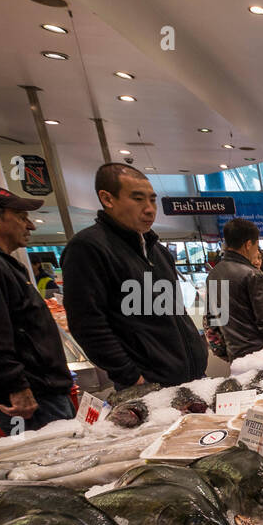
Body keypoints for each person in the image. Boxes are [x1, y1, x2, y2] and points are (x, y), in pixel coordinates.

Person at [61, 164, 208, 388]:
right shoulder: (88, 248)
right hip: (149, 386)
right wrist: (131, 377)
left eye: (152, 200)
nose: (149, 209)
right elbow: (88, 324)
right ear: (107, 199)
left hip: (190, 378)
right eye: (138, 199)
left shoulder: (158, 251)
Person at [0, 183, 75, 433]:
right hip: (32, 400)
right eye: (21, 217)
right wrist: (15, 387)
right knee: (54, 464)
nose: (31, 225)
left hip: (39, 393)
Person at [206, 218, 263, 360]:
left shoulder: (214, 274)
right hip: (262, 355)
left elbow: (214, 320)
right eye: (257, 244)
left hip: (236, 357)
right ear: (248, 244)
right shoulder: (253, 275)